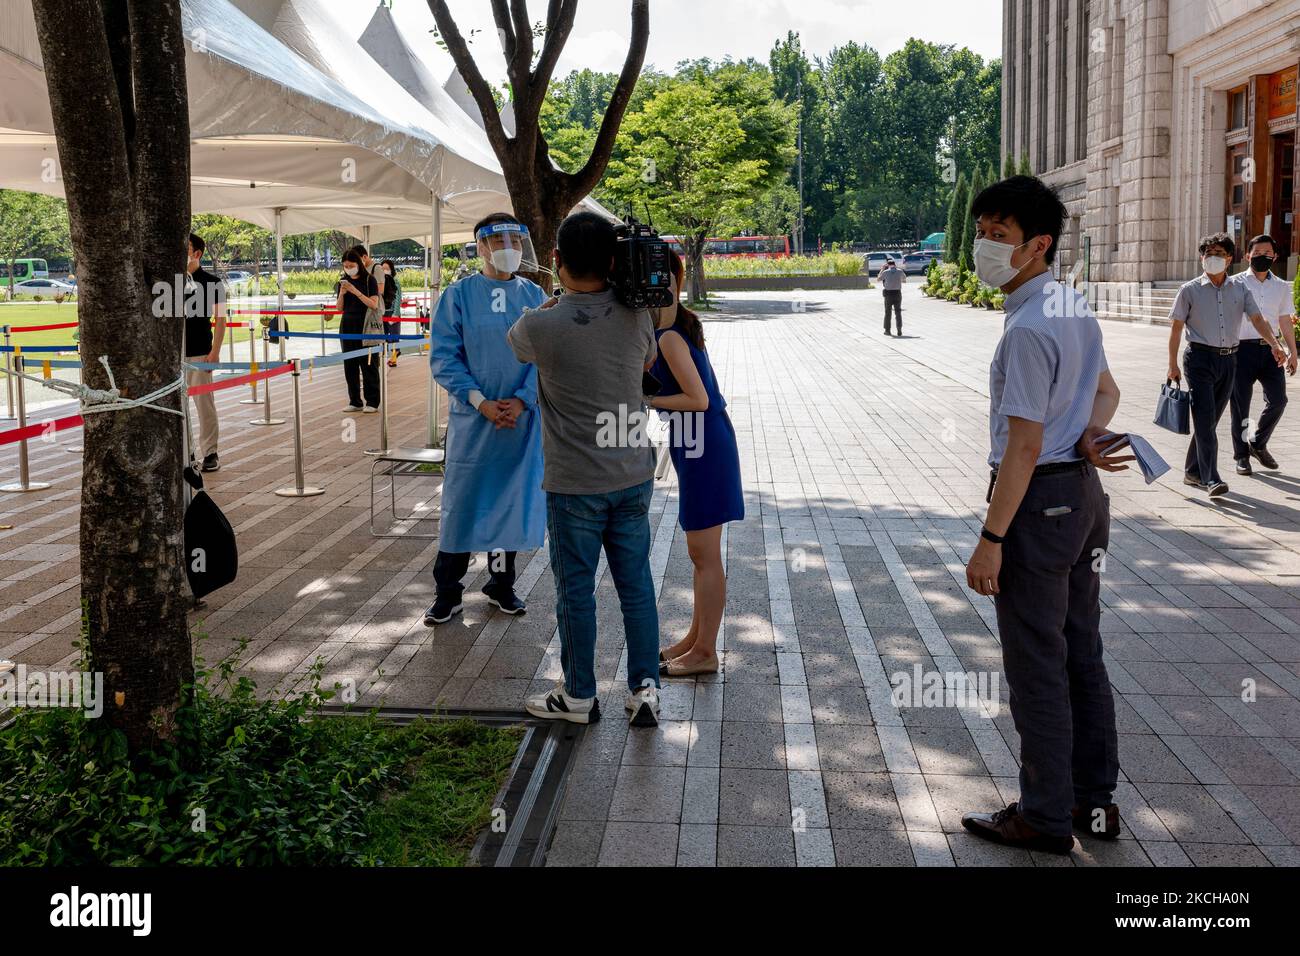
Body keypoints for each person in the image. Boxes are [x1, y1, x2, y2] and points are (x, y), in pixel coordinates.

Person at [960, 175, 1134, 854]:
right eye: (980, 233)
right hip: (1083, 501)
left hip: (1039, 506)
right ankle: (1095, 806)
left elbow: (1025, 445)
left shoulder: (1029, 328)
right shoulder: (1068, 305)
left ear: (1038, 245)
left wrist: (991, 538)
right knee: (1080, 654)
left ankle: (1043, 815)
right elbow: (1109, 391)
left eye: (997, 236)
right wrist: (1089, 434)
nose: (982, 247)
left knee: (1037, 665)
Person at [508, 211, 662, 727]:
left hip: (574, 483)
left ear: (555, 262)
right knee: (636, 583)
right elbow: (643, 364)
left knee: (576, 589)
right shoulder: (638, 316)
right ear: (615, 262)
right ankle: (644, 689)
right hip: (633, 472)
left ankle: (577, 695)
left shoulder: (540, 325)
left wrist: (557, 302)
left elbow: (516, 345)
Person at [425, 214, 547, 625]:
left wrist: (522, 399)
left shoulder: (533, 294)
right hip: (474, 423)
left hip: (519, 421)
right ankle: (448, 590)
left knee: (507, 504)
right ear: (480, 246)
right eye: (499, 240)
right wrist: (481, 402)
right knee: (463, 505)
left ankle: (500, 583)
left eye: (516, 238)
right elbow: (444, 357)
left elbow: (545, 356)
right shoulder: (458, 296)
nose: (508, 246)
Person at [649, 249, 744, 677]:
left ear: (672, 281)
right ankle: (694, 639)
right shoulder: (673, 326)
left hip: (705, 445)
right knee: (699, 553)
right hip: (700, 445)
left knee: (705, 555)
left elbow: (698, 399)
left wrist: (645, 399)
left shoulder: (670, 336)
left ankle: (705, 651)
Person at [1168, 232, 1285, 496]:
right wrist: (1171, 364)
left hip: (1230, 359)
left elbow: (1257, 319)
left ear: (1230, 259)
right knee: (1206, 418)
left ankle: (1192, 471)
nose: (1213, 259)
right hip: (1198, 360)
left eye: (1219, 255)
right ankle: (1211, 479)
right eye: (1208, 254)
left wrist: (1276, 345)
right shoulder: (1189, 290)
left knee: (1208, 420)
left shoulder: (1240, 289)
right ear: (1201, 258)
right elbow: (1176, 329)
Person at [1230, 235, 1297, 475]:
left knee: (1279, 400)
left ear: (1275, 257)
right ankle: (1241, 457)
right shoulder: (1234, 283)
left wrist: (1293, 352)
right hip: (1241, 351)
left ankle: (1257, 443)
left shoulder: (1280, 286)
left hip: (1272, 352)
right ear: (1247, 255)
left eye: (1267, 253)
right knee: (1240, 407)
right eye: (1257, 253)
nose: (1262, 257)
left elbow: (1285, 320)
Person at [183, 233, 227, 472]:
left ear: (197, 253)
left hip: (201, 352)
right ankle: (186, 451)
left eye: (186, 248)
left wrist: (215, 351)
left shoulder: (212, 283)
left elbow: (221, 320)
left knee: (204, 405)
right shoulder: (171, 282)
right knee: (178, 407)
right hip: (175, 356)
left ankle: (210, 452)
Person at [334, 248, 381, 413]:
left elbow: (374, 304)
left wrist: (355, 291)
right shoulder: (343, 281)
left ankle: (373, 401)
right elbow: (339, 308)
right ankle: (355, 400)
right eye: (345, 266)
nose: (348, 268)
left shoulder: (370, 280)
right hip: (347, 325)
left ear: (359, 264)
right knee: (350, 364)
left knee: (368, 363)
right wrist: (342, 293)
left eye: (351, 265)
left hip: (365, 325)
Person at [381, 258, 403, 367]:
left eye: (387, 268)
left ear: (391, 270)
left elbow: (398, 299)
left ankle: (394, 358)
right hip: (382, 314)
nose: (385, 270)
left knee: (394, 338)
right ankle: (382, 358)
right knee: (383, 337)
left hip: (392, 313)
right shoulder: (380, 282)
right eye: (383, 268)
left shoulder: (396, 282)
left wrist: (395, 314)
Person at [878, 256, 905, 335]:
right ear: (895, 264)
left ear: (888, 265)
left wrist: (882, 269)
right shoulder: (900, 271)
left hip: (888, 294)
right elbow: (904, 280)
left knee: (888, 312)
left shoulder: (885, 272)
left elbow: (878, 279)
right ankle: (899, 330)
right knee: (898, 312)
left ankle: (887, 330)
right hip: (897, 293)